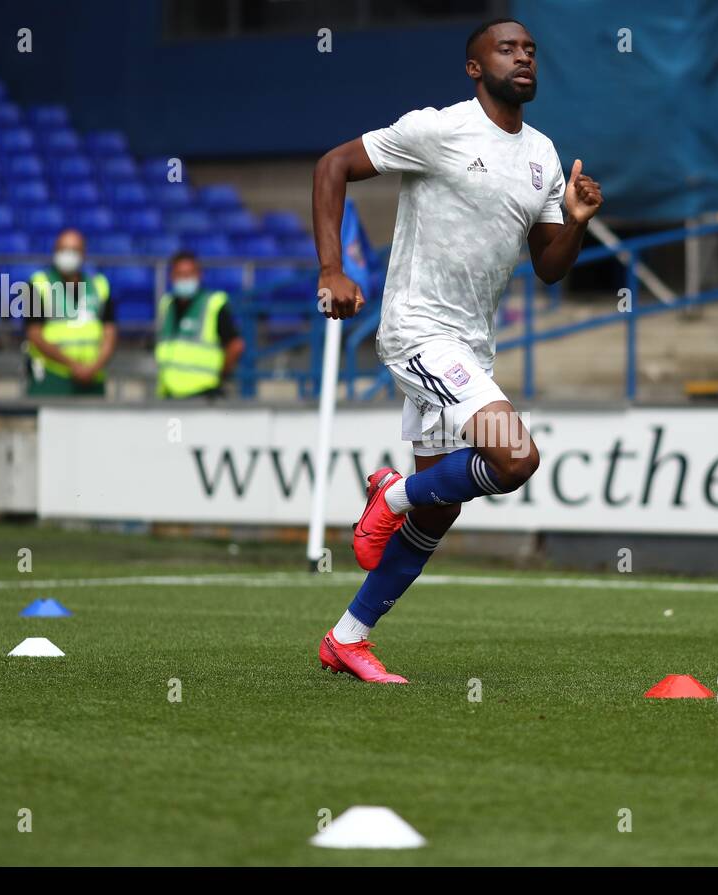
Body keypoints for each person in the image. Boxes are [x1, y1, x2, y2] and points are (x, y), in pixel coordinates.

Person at [310, 18, 603, 683]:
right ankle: (390, 495)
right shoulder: (438, 130)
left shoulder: (543, 155)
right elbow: (332, 166)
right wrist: (332, 270)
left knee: (440, 507)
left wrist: (576, 223)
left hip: (470, 344)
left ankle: (347, 638)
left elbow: (551, 267)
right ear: (475, 68)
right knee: (516, 455)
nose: (523, 56)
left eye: (530, 48)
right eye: (507, 48)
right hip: (417, 329)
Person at [25, 229, 117, 397]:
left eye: (74, 250)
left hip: (92, 378)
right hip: (53, 377)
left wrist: (93, 367)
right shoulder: (38, 284)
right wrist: (73, 365)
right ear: (55, 252)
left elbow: (109, 334)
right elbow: (34, 334)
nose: (68, 255)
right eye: (63, 250)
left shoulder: (100, 285)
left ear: (83, 253)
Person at [155, 251, 245, 399]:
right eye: (180, 274)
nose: (184, 279)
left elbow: (235, 345)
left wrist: (221, 376)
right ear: (171, 276)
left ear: (199, 275)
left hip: (203, 396)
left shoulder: (213, 304)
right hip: (168, 395)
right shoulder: (166, 304)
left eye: (189, 274)